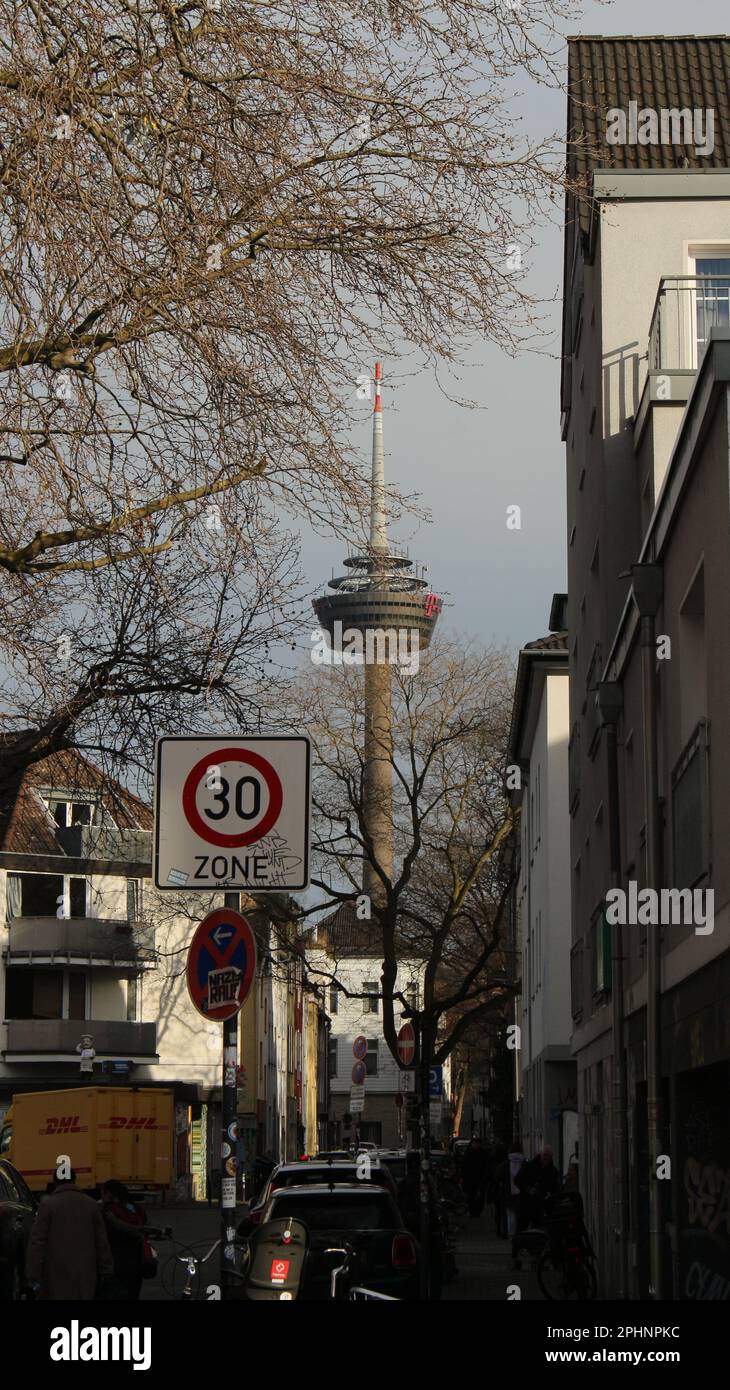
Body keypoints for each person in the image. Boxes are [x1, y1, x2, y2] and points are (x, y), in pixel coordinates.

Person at [26, 1170, 113, 1300]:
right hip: (85, 1273)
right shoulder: (91, 1205)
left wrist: (33, 1273)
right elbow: (101, 1241)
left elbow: (37, 1242)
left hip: (55, 1274)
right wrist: (106, 1268)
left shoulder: (48, 1205)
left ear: (55, 1182)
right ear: (74, 1180)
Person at [397, 1151, 444, 1300]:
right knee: (433, 1268)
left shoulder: (406, 1183)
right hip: (426, 1230)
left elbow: (400, 1207)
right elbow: (434, 1200)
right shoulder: (426, 1180)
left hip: (412, 1230)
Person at [99, 1180, 156, 1300]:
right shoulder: (136, 1208)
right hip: (138, 1260)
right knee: (134, 1293)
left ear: (108, 1194)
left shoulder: (109, 1211)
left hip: (117, 1262)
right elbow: (146, 1226)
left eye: (102, 1193)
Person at [460, 1137, 488, 1217]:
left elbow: (486, 1166)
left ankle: (478, 1211)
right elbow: (463, 1165)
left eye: (477, 1143)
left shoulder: (483, 1153)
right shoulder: (468, 1153)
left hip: (480, 1178)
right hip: (469, 1178)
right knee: (470, 1196)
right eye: (474, 1143)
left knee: (480, 1196)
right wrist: (462, 1176)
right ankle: (472, 1211)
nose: (475, 1145)